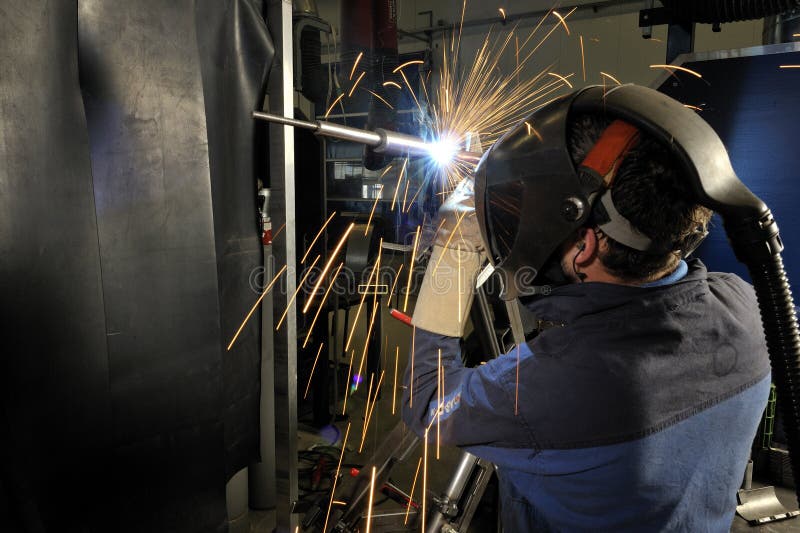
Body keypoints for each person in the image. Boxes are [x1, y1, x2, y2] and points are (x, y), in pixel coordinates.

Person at [402, 87, 771, 532]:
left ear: (585, 245)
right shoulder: (746, 304)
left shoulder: (564, 379)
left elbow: (429, 405)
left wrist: (453, 251)